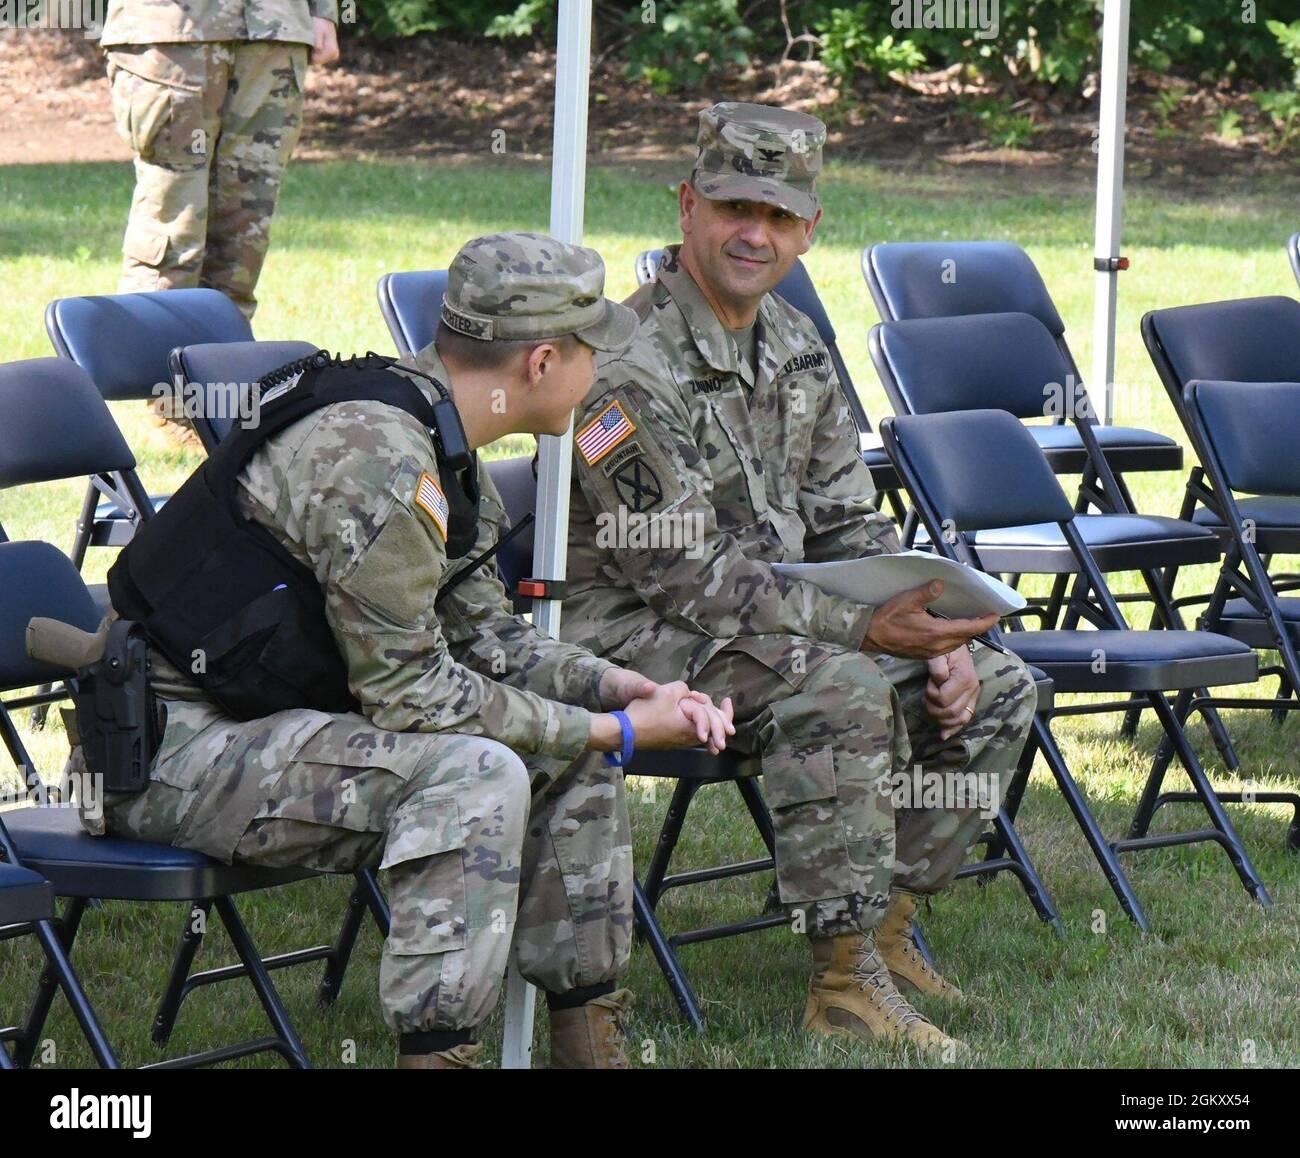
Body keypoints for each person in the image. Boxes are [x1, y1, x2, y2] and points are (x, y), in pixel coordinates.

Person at [68, 232, 735, 1069]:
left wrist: (613, 689)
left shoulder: (434, 432)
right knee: (477, 773)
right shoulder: (380, 459)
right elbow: (412, 696)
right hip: (170, 750)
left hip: (270, 721)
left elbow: (485, 637)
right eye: (591, 353)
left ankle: (588, 1042)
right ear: (540, 362)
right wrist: (618, 734)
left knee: (563, 749)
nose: (599, 373)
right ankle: (438, 1055)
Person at [561, 103, 1037, 1053]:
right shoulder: (623, 363)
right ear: (688, 206)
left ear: (809, 229)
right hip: (624, 630)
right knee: (844, 686)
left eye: (780, 217)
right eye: (736, 205)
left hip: (768, 621)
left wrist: (934, 627)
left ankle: (886, 934)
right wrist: (864, 633)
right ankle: (841, 984)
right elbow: (682, 575)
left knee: (1000, 685)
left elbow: (848, 521)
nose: (755, 234)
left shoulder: (793, 344)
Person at [99, 0, 341, 319]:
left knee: (243, 237)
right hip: (175, 30)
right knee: (173, 228)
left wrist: (324, 12)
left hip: (274, 29)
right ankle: (147, 359)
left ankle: (223, 360)